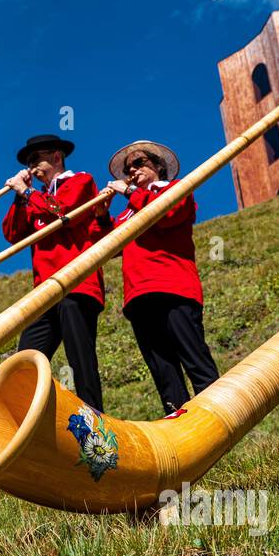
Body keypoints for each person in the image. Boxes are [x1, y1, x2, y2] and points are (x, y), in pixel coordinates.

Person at [105, 140, 220, 415]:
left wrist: (130, 192)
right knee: (164, 373)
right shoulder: (127, 210)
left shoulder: (175, 189)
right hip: (138, 295)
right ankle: (182, 431)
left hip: (173, 288)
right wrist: (100, 215)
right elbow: (109, 247)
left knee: (195, 360)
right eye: (127, 168)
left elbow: (165, 214)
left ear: (158, 166)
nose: (131, 170)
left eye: (138, 163)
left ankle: (222, 417)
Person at [2, 134, 109, 411]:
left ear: (57, 157)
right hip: (45, 289)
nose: (32, 166)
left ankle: (96, 423)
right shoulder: (35, 198)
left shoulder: (80, 181)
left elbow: (62, 213)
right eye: (28, 162)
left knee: (80, 359)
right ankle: (29, 419)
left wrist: (28, 193)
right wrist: (20, 197)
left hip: (76, 283)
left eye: (36, 159)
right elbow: (12, 233)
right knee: (26, 358)